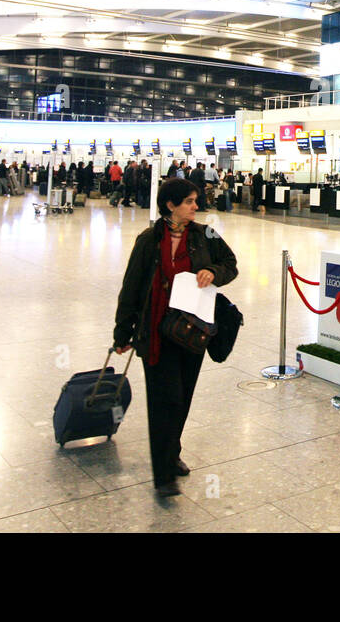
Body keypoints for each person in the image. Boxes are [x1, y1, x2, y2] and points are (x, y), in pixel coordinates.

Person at [113, 178, 238, 497]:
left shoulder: (204, 234)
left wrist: (213, 271)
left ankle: (172, 451)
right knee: (163, 400)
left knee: (181, 397)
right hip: (156, 332)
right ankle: (163, 474)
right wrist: (123, 331)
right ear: (171, 205)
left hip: (192, 332)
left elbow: (230, 264)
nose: (196, 207)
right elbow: (131, 288)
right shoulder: (148, 240)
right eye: (190, 201)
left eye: (197, 201)